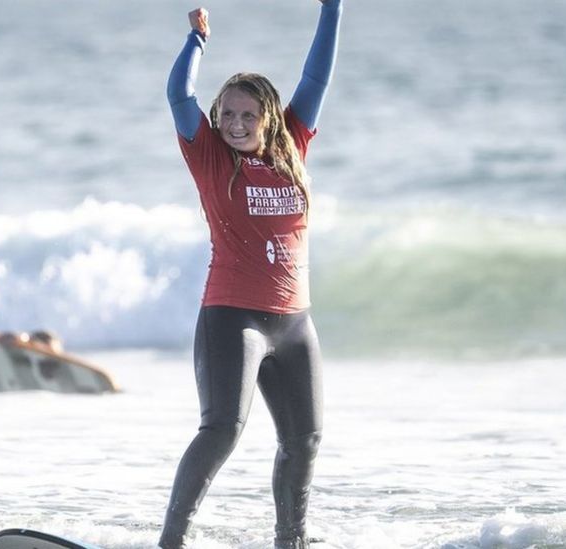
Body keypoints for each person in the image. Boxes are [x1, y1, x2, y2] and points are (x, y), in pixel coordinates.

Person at [160, 1, 342, 548]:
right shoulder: (211, 157)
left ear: (268, 118)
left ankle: (291, 541)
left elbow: (316, 77)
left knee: (304, 440)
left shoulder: (294, 145)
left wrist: (332, 8)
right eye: (228, 115)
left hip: (295, 324)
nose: (236, 125)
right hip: (233, 317)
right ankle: (171, 542)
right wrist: (196, 41)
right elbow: (179, 97)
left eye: (248, 116)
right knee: (221, 429)